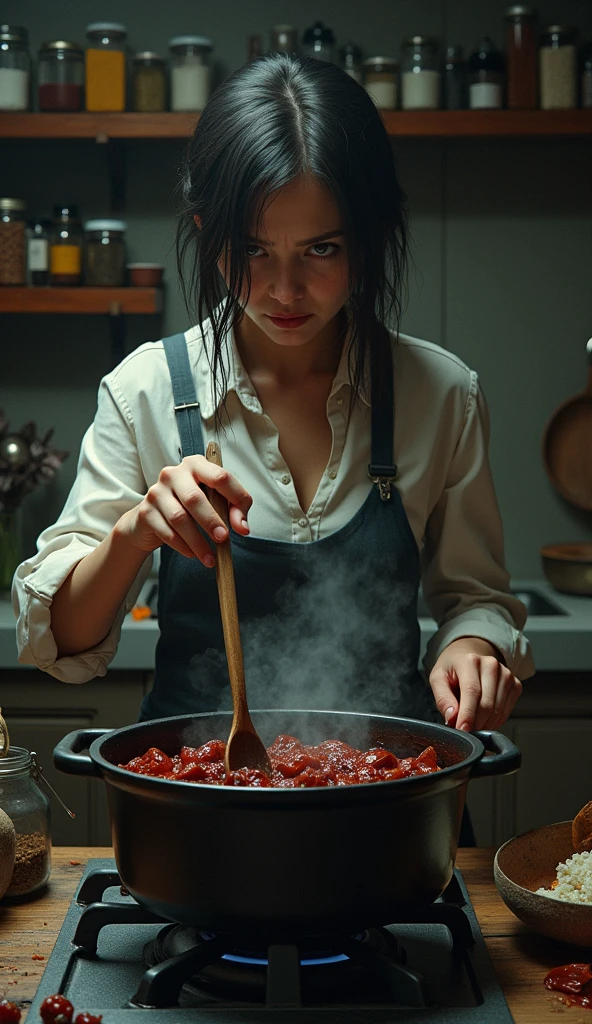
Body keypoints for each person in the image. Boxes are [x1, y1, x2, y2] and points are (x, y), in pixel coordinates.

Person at [13, 55, 534, 818]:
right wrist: (134, 533)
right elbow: (60, 640)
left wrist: (473, 648)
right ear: (206, 232)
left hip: (392, 813)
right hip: (191, 813)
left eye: (321, 249)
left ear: (370, 236)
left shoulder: (441, 395)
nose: (284, 290)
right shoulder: (145, 393)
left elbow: (476, 597)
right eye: (252, 250)